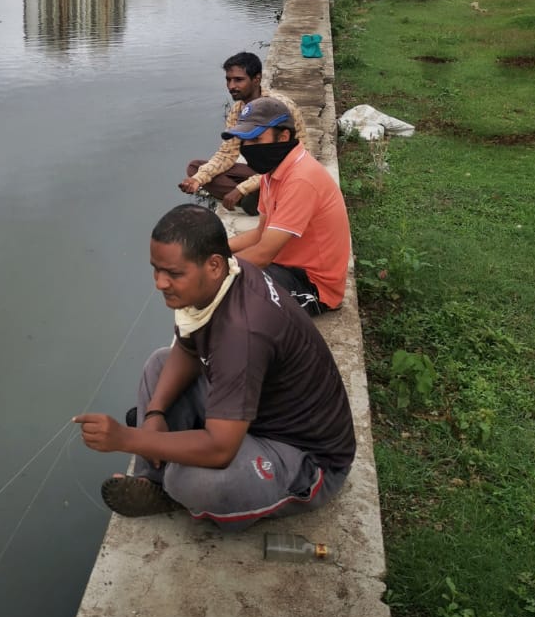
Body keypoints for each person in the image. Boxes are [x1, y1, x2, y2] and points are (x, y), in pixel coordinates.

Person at [74, 205, 355, 527]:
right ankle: (151, 479)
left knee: (189, 480)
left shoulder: (243, 332)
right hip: (256, 413)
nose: (160, 283)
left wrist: (126, 439)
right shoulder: (231, 275)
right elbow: (188, 347)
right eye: (156, 270)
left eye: (174, 274)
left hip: (304, 456)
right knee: (159, 364)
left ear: (213, 265)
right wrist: (154, 415)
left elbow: (221, 449)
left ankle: (173, 489)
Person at [223, 97, 350, 314]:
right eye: (245, 141)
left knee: (227, 293)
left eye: (255, 140)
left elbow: (262, 254)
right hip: (285, 267)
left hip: (313, 286)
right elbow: (259, 235)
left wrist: (209, 267)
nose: (248, 149)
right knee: (222, 287)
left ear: (283, 137)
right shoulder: (272, 172)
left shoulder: (301, 178)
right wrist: (213, 250)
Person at [178, 52, 307, 217]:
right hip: (261, 169)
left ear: (256, 79)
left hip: (287, 172)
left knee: (255, 181)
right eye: (228, 80)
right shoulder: (238, 110)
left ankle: (258, 198)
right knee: (195, 168)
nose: (231, 86)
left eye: (238, 80)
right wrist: (198, 179)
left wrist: (242, 188)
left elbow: (295, 159)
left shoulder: (279, 108)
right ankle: (259, 198)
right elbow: (227, 153)